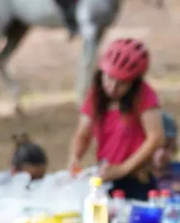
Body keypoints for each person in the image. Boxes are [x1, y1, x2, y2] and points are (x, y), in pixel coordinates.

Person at [67, 38, 165, 201]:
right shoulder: (96, 94)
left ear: (133, 83)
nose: (112, 87)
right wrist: (75, 157)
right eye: (109, 78)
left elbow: (156, 137)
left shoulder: (144, 96)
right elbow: (83, 133)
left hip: (137, 179)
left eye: (122, 83)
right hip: (106, 178)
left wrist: (122, 169)